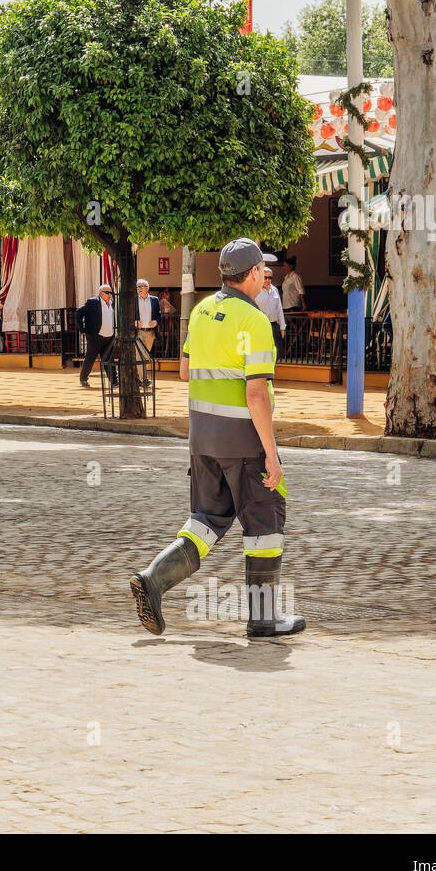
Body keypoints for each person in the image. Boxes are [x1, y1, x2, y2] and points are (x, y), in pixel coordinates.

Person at [128, 238, 305, 640]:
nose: (268, 274)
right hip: (244, 441)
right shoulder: (255, 321)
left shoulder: (203, 311)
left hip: (202, 439)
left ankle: (154, 579)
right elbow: (256, 394)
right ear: (252, 274)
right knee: (265, 520)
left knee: (205, 520)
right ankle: (263, 618)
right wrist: (272, 455)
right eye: (264, 269)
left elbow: (185, 371)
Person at [76, 283, 116, 388]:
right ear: (101, 293)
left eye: (111, 292)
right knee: (90, 359)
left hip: (109, 337)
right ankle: (83, 379)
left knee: (109, 360)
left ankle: (114, 381)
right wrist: (83, 330)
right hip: (95, 337)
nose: (110, 294)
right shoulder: (93, 302)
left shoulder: (112, 303)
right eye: (107, 292)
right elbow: (79, 313)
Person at [254, 253, 288, 358]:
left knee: (276, 353)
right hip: (261, 326)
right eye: (265, 277)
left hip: (274, 325)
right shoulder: (256, 290)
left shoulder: (275, 290)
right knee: (264, 353)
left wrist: (282, 327)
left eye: (270, 277)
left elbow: (279, 310)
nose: (268, 280)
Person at [134, 278, 161, 387]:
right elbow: (129, 314)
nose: (139, 288)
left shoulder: (155, 300)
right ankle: (143, 379)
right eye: (138, 286)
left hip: (150, 333)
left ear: (147, 288)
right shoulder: (134, 300)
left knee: (145, 357)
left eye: (142, 286)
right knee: (140, 355)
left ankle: (139, 377)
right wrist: (134, 321)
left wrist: (156, 321)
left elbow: (159, 315)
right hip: (139, 332)